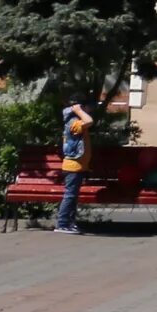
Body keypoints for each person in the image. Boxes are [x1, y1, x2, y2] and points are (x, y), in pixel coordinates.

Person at [53, 95, 96, 235]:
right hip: (73, 167)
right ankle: (62, 223)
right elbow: (89, 120)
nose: (90, 110)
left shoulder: (77, 121)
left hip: (78, 166)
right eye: (88, 107)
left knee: (73, 196)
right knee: (70, 196)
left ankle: (70, 222)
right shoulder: (74, 123)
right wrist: (78, 110)